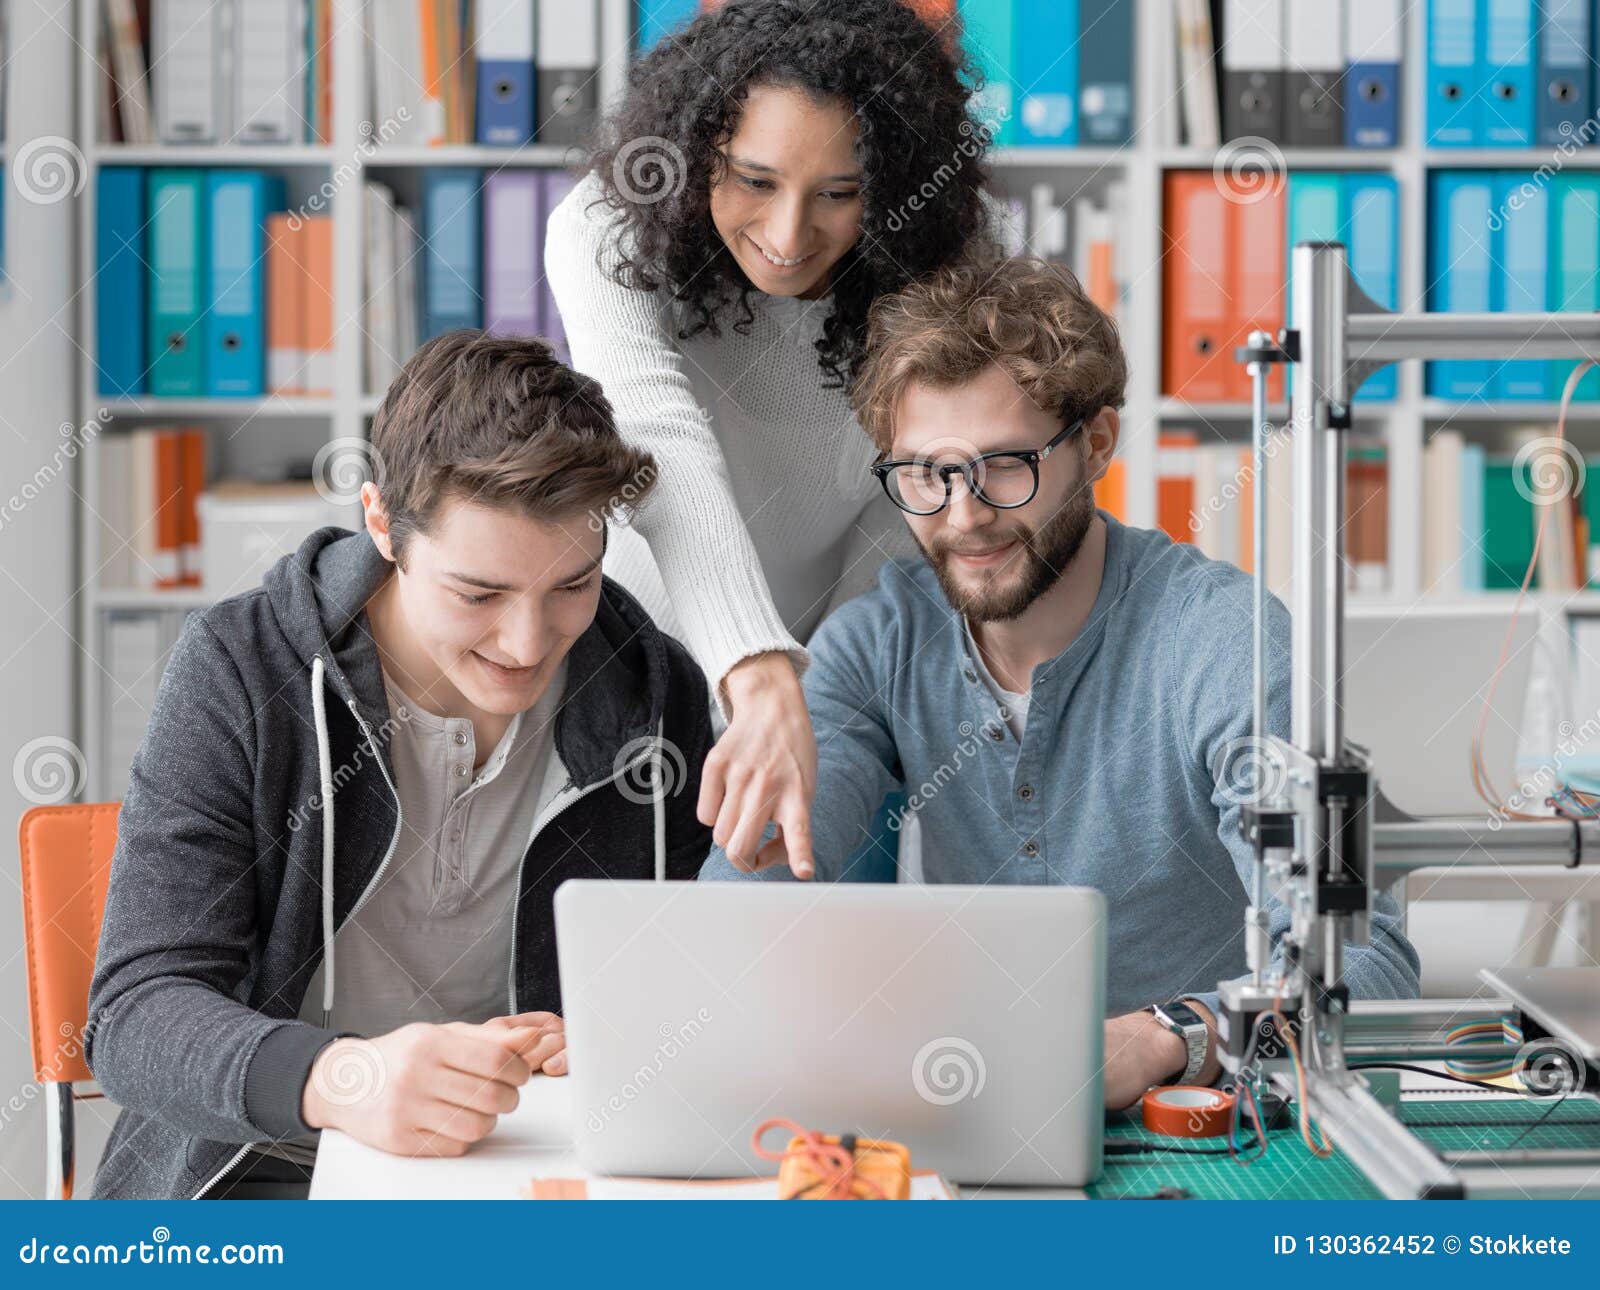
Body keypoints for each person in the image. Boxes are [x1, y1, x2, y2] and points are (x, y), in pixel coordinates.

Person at [699, 256, 1422, 1109]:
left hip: (1219, 1129)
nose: (964, 516)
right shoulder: (877, 642)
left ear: (1097, 443)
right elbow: (745, 910)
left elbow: (1369, 966)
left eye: (1006, 464)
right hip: (979, 1113)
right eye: (925, 473)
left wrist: (1167, 1039)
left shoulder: (1224, 640)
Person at [86, 332, 715, 1199]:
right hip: (268, 1171)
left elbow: (688, 981)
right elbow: (135, 1016)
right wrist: (343, 1080)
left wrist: (619, 1037)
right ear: (382, 523)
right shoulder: (243, 669)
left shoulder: (651, 690)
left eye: (572, 585)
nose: (527, 645)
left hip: (537, 1170)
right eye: (479, 594)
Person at [546, 0, 1001, 880]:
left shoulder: (950, 251)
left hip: (834, 675)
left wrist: (821, 693)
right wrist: (753, 669)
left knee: (797, 943)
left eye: (840, 194)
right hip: (620, 663)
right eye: (754, 181)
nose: (789, 236)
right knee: (613, 943)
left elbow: (907, 499)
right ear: (695, 149)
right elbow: (654, 435)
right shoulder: (609, 222)